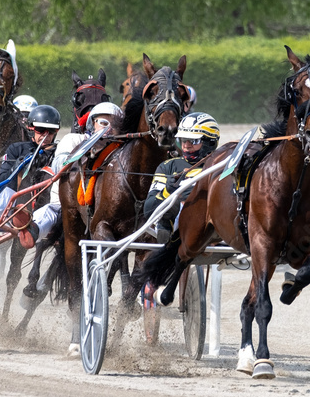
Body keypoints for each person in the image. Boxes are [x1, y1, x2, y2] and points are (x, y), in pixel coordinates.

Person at [141, 112, 220, 309]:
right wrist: (169, 189)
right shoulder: (168, 166)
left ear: (209, 142)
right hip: (177, 222)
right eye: (183, 140)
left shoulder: (221, 165)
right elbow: (149, 209)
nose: (186, 146)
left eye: (193, 141)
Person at [0, 105, 60, 246]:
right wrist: (17, 166)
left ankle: (31, 227)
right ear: (31, 128)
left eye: (51, 131)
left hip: (43, 204)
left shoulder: (59, 153)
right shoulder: (17, 149)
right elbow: (3, 178)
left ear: (56, 132)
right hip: (14, 201)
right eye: (40, 130)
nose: (45, 135)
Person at [51, 101, 123, 175]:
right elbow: (58, 168)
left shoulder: (122, 149)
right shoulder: (73, 139)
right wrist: (85, 155)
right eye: (104, 123)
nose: (109, 129)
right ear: (93, 122)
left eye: (115, 126)